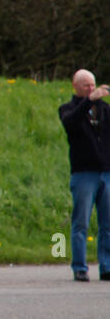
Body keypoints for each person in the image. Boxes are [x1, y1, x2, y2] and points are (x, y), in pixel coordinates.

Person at [58, 69, 110, 281]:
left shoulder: (105, 110)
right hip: (83, 174)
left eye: (93, 85)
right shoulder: (67, 109)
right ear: (76, 87)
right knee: (81, 222)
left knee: (107, 224)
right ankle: (80, 267)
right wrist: (88, 101)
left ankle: (106, 266)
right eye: (86, 86)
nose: (91, 89)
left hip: (106, 172)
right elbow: (71, 123)